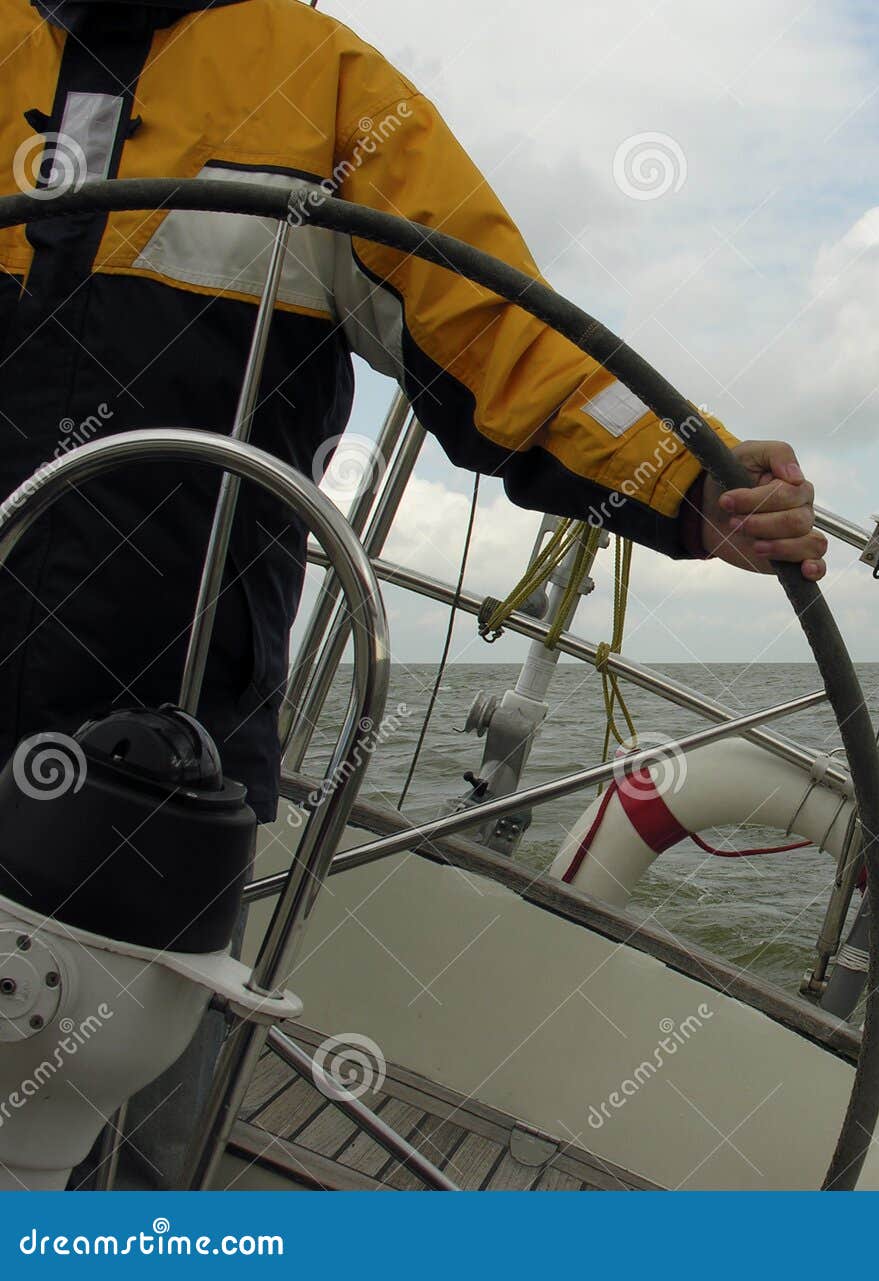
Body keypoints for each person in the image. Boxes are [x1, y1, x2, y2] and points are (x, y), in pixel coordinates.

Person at [0, 0, 827, 1186]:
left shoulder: (319, 85)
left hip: (168, 739)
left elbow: (500, 339)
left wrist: (695, 480)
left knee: (129, 1144)